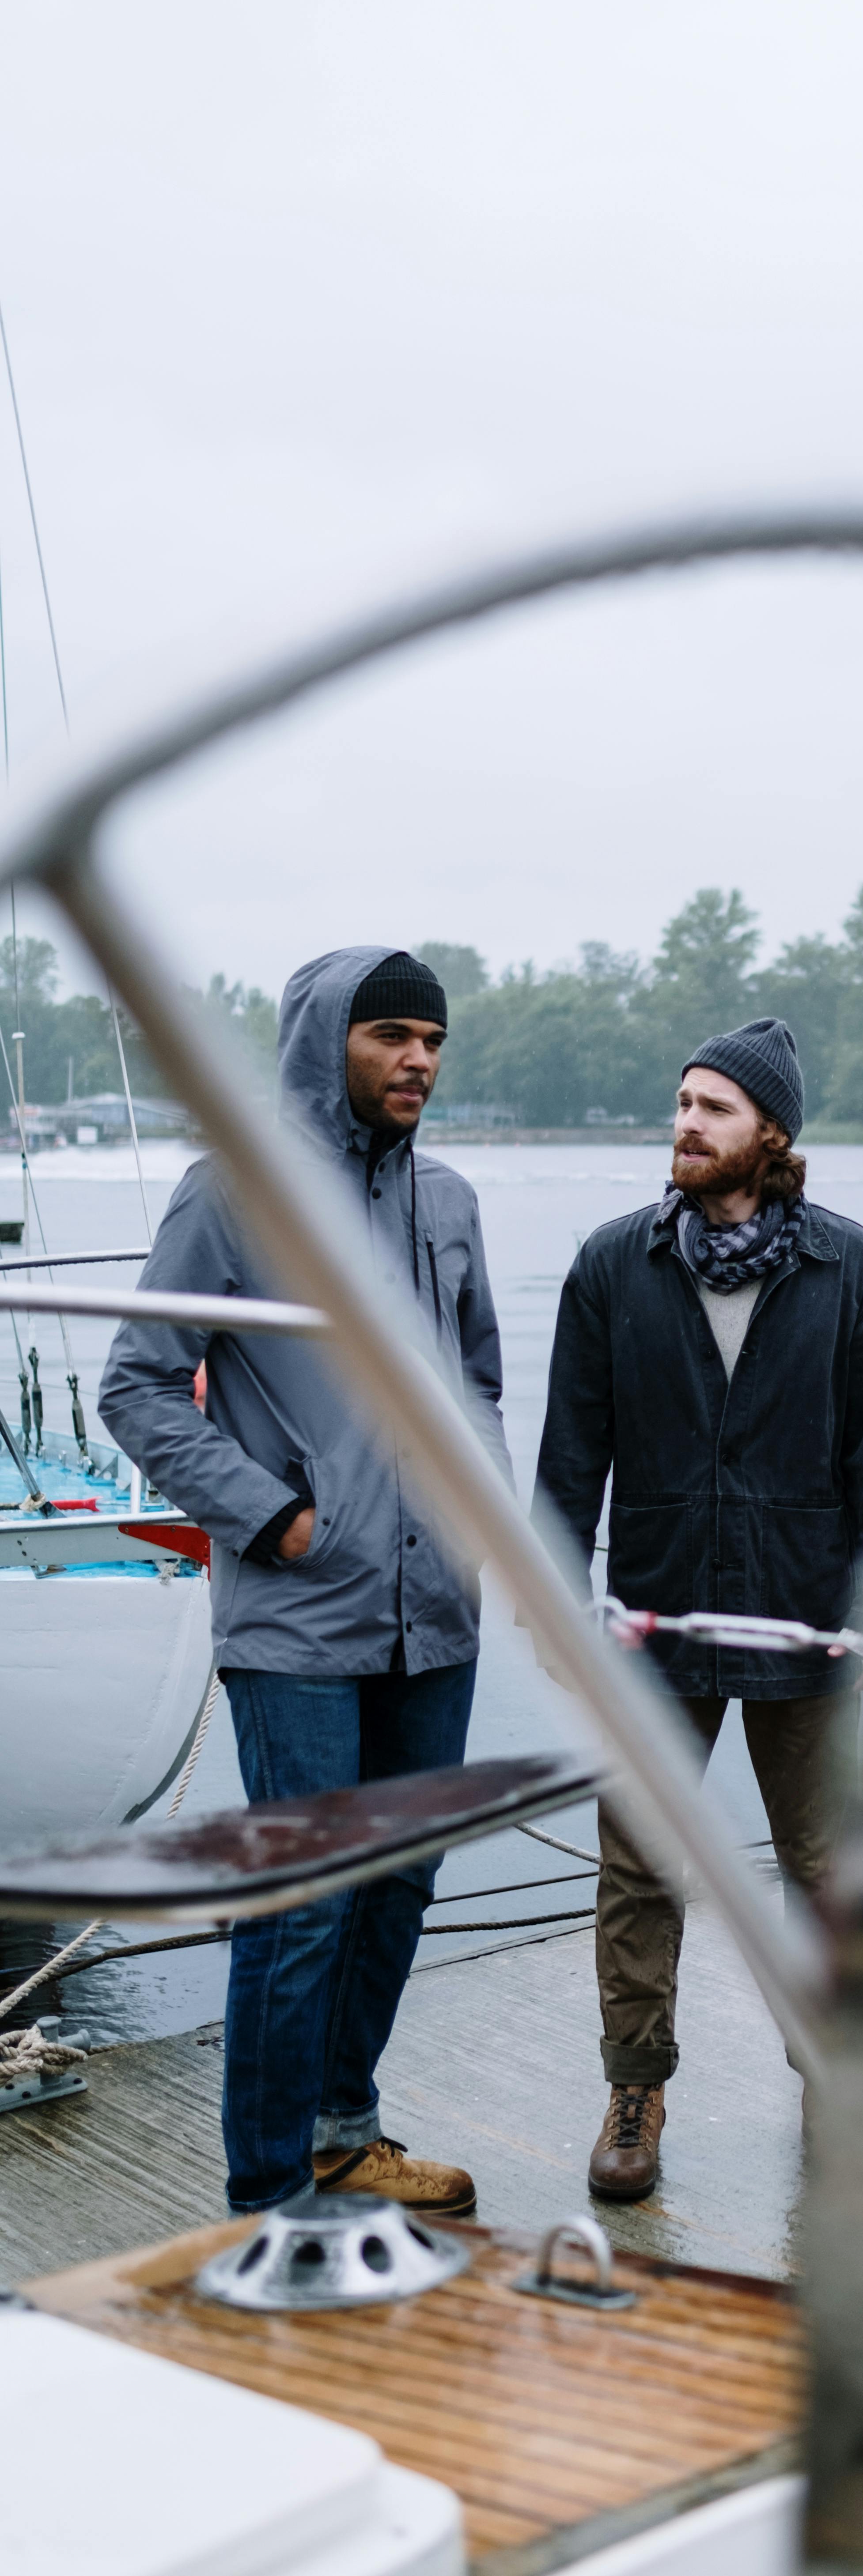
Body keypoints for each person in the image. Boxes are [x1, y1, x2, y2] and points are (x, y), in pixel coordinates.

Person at [99, 948, 506, 2217]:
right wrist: (271, 1517)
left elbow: (476, 1378)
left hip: (434, 1608)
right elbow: (135, 1384)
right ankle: (268, 2196)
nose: (420, 1060)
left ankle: (345, 2128)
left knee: (398, 1883)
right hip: (297, 1615)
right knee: (301, 1904)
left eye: (432, 1039)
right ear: (326, 1041)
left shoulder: (448, 1201)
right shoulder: (231, 1195)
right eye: (391, 1034)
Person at [536, 1015, 863, 2201]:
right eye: (683, 1102)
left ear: (772, 1133)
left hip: (808, 1617)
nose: (686, 1124)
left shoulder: (847, 1266)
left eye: (713, 1107)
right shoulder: (614, 1263)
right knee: (641, 1862)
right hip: (654, 1614)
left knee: (824, 1870)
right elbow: (568, 1456)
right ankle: (635, 2091)